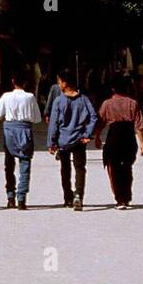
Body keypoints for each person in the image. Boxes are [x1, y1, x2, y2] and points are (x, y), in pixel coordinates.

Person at [47, 71, 98, 210]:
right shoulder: (83, 99)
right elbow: (94, 116)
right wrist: (87, 133)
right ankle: (78, 196)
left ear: (65, 83)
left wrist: (51, 142)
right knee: (80, 168)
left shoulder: (58, 101)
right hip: (80, 140)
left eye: (59, 82)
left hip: (63, 142)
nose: (58, 85)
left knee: (65, 169)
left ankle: (68, 198)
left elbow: (54, 123)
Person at [0, 71, 41, 209]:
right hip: (25, 130)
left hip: (9, 130)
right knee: (25, 164)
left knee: (9, 165)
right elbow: (37, 118)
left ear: (13, 81)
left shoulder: (6, 96)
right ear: (25, 83)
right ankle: (22, 198)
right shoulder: (30, 97)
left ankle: (10, 196)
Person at [96, 77, 143, 209]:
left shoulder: (107, 104)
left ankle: (119, 199)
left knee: (114, 169)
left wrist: (97, 137)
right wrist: (142, 144)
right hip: (129, 137)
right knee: (127, 168)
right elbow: (138, 125)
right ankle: (127, 197)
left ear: (113, 89)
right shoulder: (133, 103)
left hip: (114, 137)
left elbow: (100, 122)